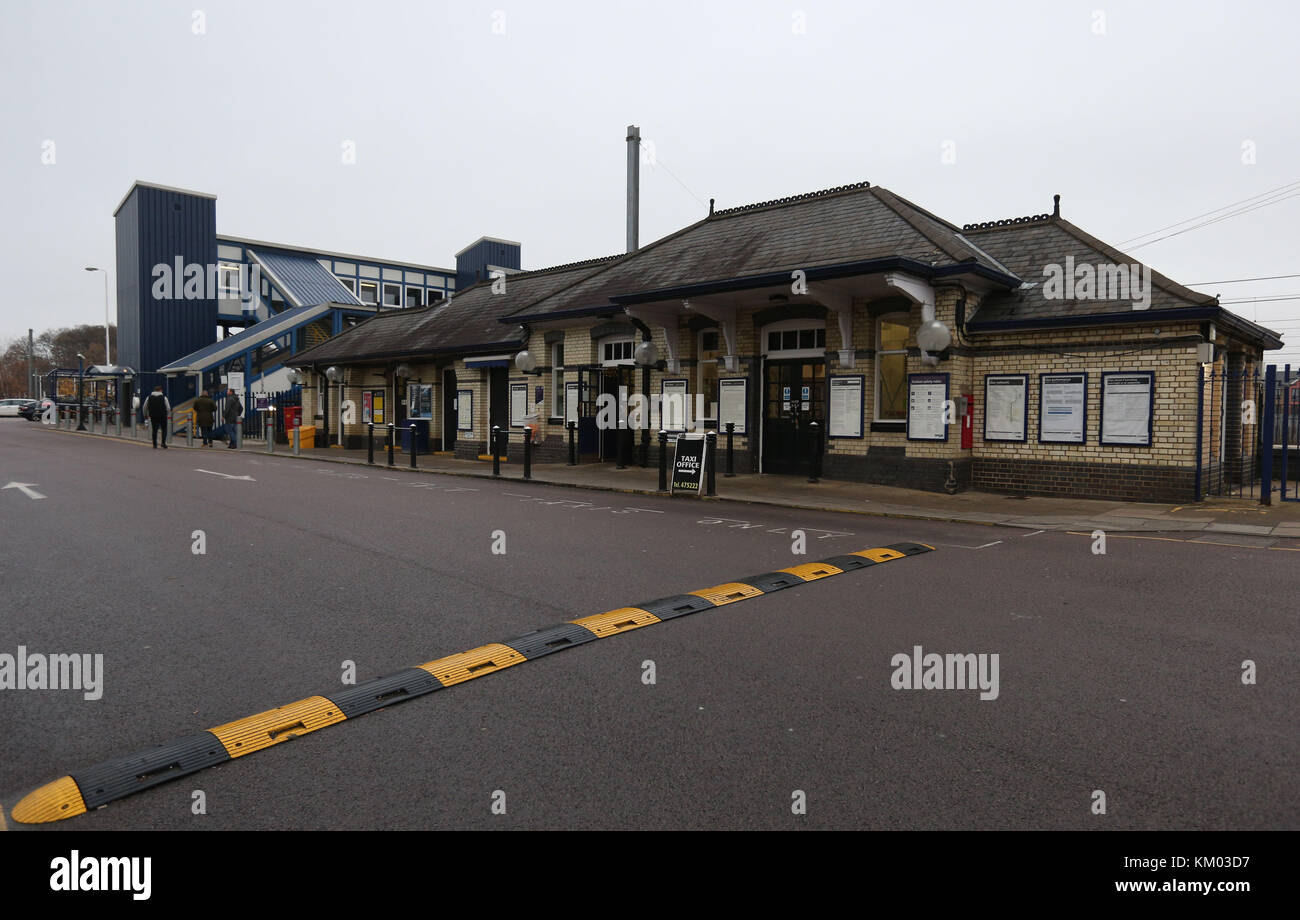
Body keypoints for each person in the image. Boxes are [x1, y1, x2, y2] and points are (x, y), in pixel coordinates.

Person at [144, 385, 171, 449]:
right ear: (161, 390)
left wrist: (145, 414)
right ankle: (163, 443)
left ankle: (154, 444)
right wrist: (166, 413)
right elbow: (168, 408)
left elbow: (145, 407)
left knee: (154, 430)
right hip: (162, 416)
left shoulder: (149, 397)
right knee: (164, 429)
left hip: (153, 416)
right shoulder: (164, 398)